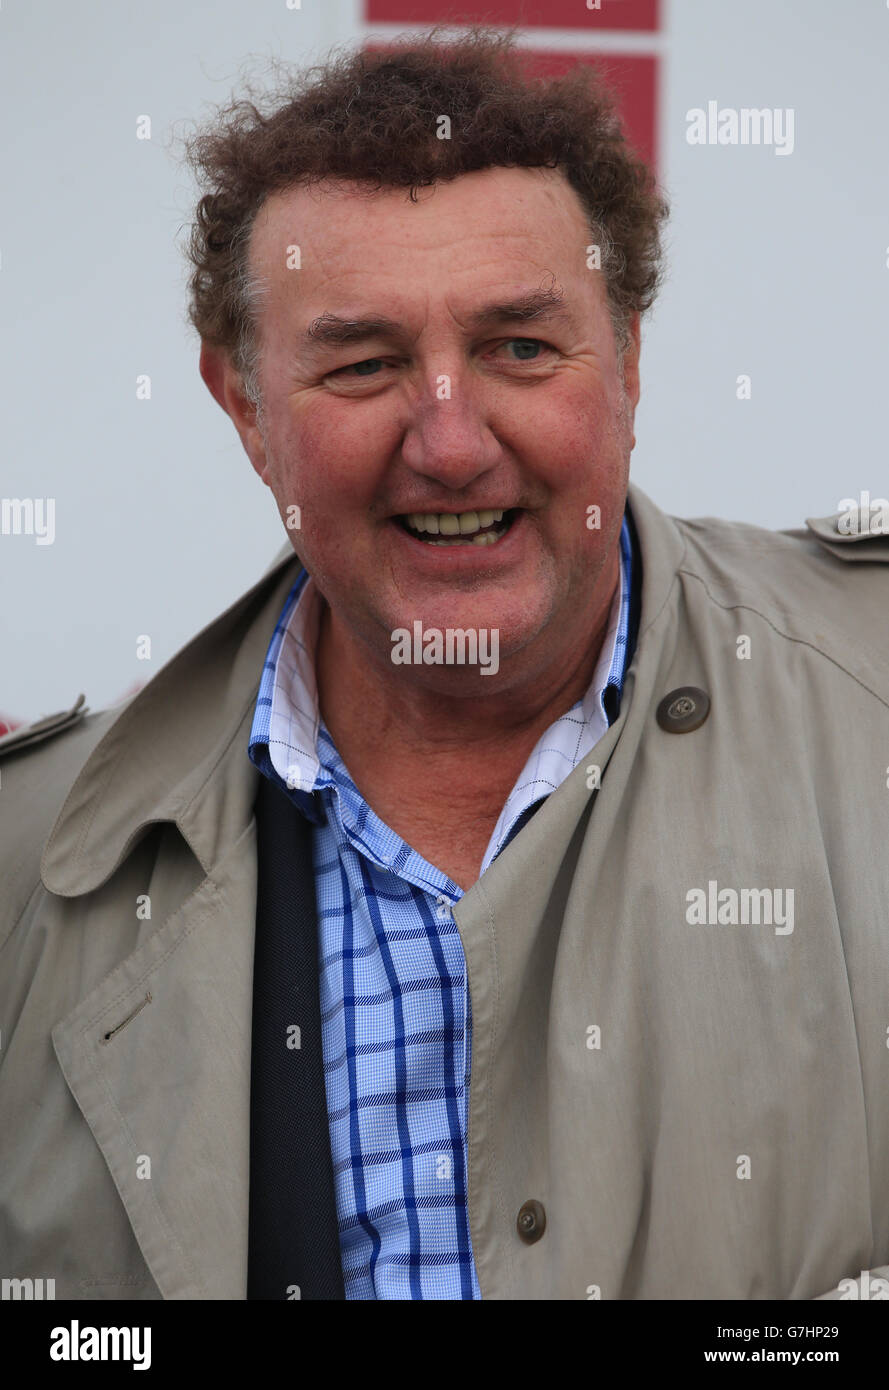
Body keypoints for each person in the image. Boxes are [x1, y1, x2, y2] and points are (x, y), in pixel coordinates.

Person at [1, 28, 887, 1302]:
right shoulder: (29, 866)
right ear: (243, 404)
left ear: (628, 362)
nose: (453, 441)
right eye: (361, 365)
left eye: (520, 348)